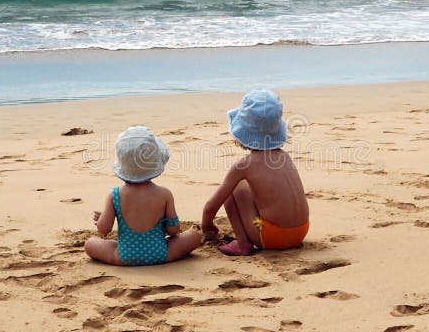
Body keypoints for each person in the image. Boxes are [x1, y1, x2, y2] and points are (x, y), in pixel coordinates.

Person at [201, 89, 309, 256]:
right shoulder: (284, 157)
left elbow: (211, 207)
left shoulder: (244, 165)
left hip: (272, 237)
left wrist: (207, 226)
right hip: (301, 231)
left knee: (233, 189)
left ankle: (243, 243)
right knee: (252, 188)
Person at [85, 126, 202, 265]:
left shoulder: (114, 195)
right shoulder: (165, 194)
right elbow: (174, 231)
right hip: (161, 253)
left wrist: (103, 217)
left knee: (90, 244)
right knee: (194, 236)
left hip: (125, 256)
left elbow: (103, 229)